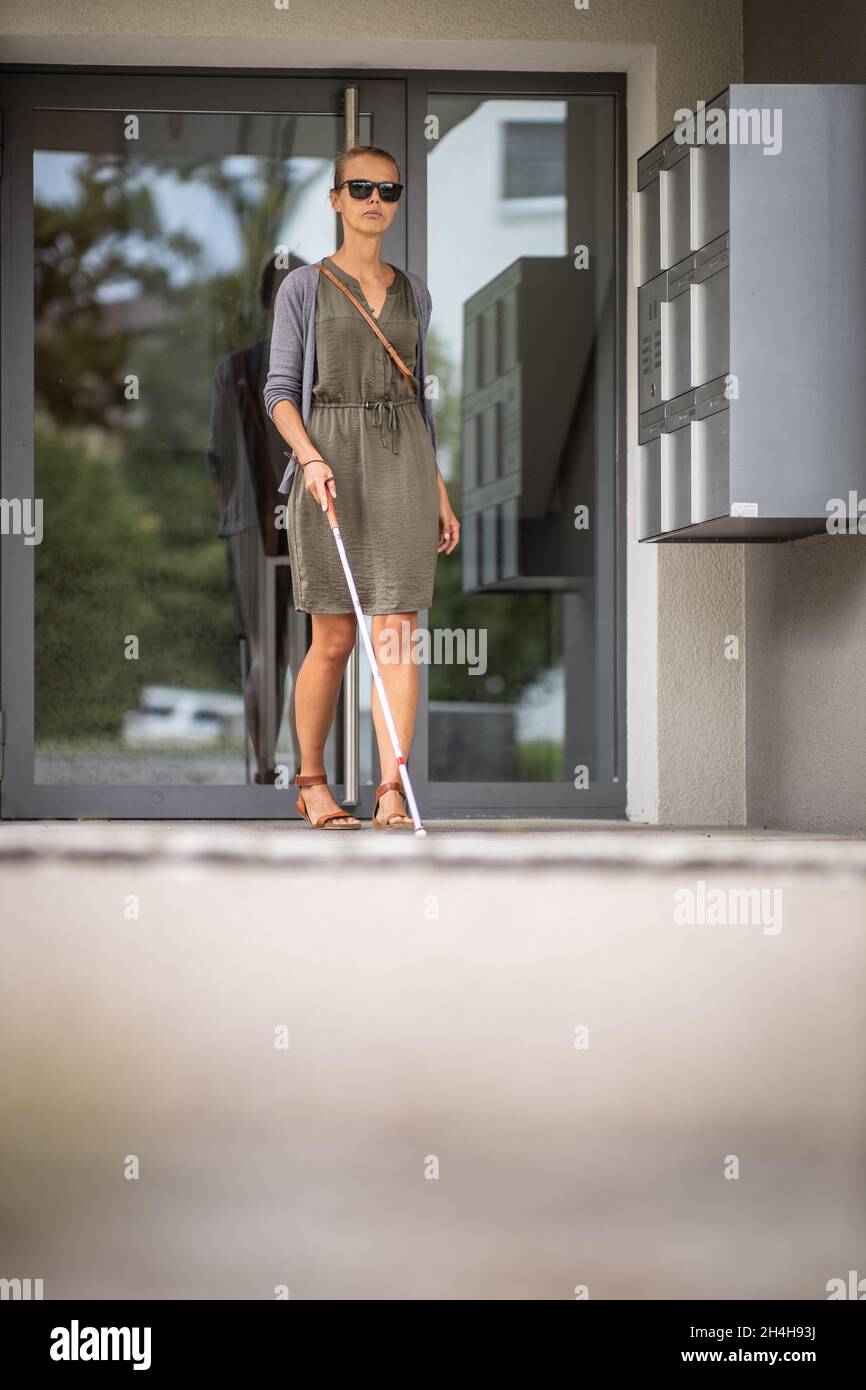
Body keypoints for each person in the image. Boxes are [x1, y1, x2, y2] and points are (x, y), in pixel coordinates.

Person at [263, 145, 460, 829]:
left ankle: (391, 792)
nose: (376, 199)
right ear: (337, 199)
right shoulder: (304, 288)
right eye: (361, 187)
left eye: (389, 189)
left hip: (403, 462)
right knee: (336, 638)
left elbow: (420, 401)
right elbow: (280, 393)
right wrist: (310, 459)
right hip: (331, 464)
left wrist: (436, 486)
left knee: (398, 636)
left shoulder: (415, 293)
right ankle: (311, 781)